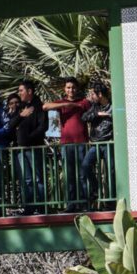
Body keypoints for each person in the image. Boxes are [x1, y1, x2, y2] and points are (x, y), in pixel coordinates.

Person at [43, 77, 89, 211]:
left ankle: (84, 203)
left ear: (77, 89)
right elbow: (45, 106)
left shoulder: (83, 102)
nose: (71, 90)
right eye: (68, 87)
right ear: (65, 89)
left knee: (82, 174)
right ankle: (71, 204)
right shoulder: (61, 102)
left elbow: (92, 109)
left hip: (81, 143)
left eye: (73, 87)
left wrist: (75, 105)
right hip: (66, 143)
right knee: (69, 175)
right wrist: (64, 105)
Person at [12, 79, 49, 214]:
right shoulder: (19, 107)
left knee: (38, 177)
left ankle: (42, 206)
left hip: (35, 148)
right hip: (21, 149)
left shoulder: (39, 106)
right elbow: (11, 125)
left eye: (21, 90)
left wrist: (29, 138)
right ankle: (29, 207)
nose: (19, 93)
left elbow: (43, 127)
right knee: (26, 179)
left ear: (29, 91)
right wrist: (21, 116)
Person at [80, 82, 113, 206]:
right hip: (95, 144)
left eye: (93, 93)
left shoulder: (112, 105)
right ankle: (95, 189)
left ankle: (111, 201)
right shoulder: (95, 107)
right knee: (85, 165)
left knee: (111, 171)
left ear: (100, 94)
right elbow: (84, 117)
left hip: (108, 143)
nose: (91, 96)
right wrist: (97, 114)